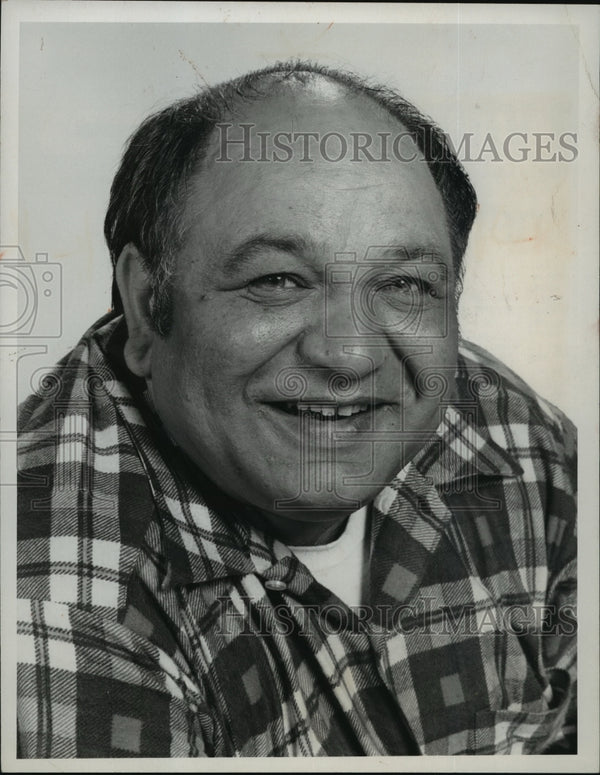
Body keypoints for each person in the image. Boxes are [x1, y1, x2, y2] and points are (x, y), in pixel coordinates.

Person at [17, 61, 576, 757]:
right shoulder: (60, 609)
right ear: (143, 303)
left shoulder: (509, 428)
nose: (350, 356)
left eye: (403, 284)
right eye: (279, 280)